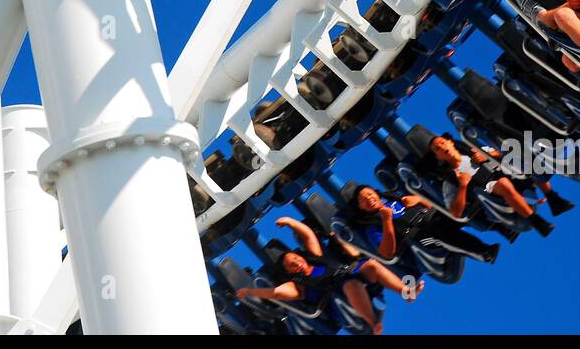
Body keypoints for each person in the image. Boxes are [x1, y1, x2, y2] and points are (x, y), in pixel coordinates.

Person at [235, 217, 420, 334]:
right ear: (288, 272)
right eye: (290, 264)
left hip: (359, 282)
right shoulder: (298, 284)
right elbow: (276, 293)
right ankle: (373, 324)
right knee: (350, 285)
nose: (296, 262)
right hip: (339, 304)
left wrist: (291, 222)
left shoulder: (316, 258)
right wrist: (250, 292)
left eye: (295, 258)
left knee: (370, 265)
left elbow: (308, 236)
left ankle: (406, 291)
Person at [427, 133, 557, 237]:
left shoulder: (476, 150)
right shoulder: (450, 179)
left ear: (450, 142)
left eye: (442, 143)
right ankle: (537, 221)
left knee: (523, 162)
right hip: (494, 202)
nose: (442, 148)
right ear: (438, 157)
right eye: (437, 149)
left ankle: (554, 199)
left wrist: (488, 155)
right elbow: (455, 213)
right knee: (502, 183)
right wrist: (463, 186)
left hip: (519, 189)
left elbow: (502, 153)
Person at [345, 183, 502, 264]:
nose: (368, 198)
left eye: (369, 193)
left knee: (458, 209)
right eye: (362, 199)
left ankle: (502, 225)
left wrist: (419, 199)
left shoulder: (394, 198)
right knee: (439, 233)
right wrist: (387, 221)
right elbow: (387, 253)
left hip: (432, 216)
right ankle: (484, 253)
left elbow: (429, 205)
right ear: (360, 207)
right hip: (418, 237)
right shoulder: (373, 225)